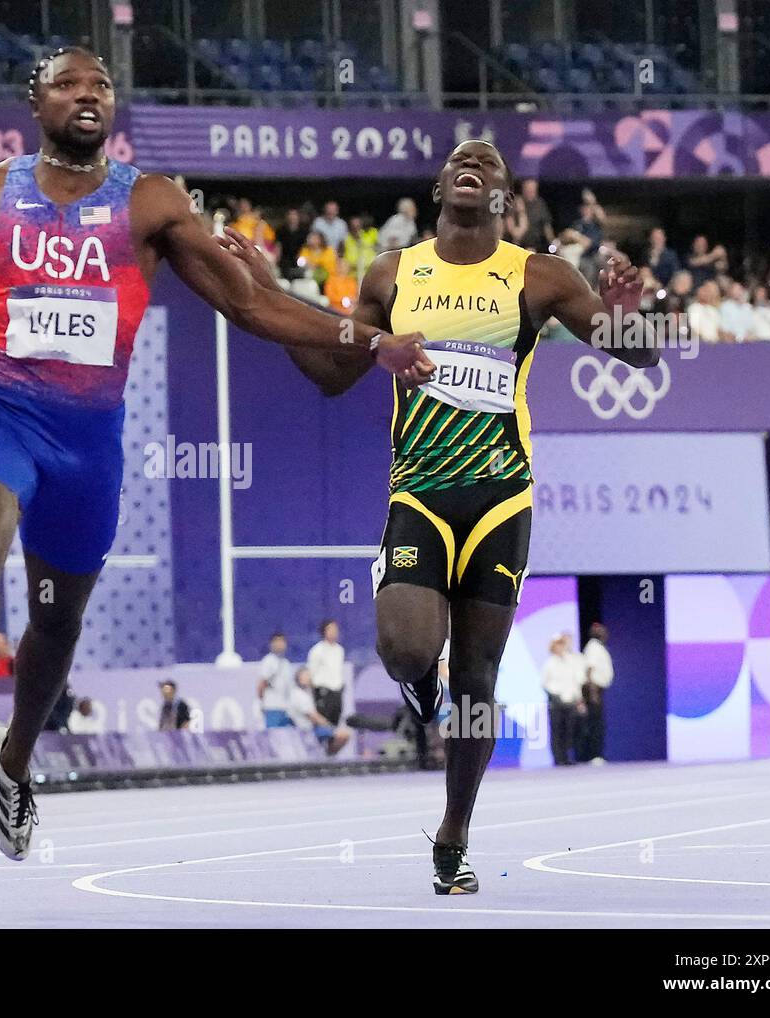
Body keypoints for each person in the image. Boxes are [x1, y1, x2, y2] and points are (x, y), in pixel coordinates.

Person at [0, 46, 430, 859]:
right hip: (0, 410)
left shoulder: (151, 203)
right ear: (36, 103)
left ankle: (14, 765)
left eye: (103, 85)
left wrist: (368, 338)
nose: (90, 95)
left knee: (57, 620)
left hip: (89, 443)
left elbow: (248, 303)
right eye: (70, 84)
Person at [221, 138, 656, 895]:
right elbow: (332, 371)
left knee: (479, 679)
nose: (473, 164)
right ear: (435, 185)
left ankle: (455, 831)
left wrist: (630, 321)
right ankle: (421, 684)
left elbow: (642, 357)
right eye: (461, 157)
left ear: (504, 197)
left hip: (500, 496)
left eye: (489, 163)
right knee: (404, 648)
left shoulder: (540, 276)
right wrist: (271, 307)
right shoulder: (393, 273)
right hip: (419, 488)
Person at [542, 633, 586, 766]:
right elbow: (544, 683)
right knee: (556, 730)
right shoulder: (550, 663)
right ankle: (558, 758)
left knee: (569, 730)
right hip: (556, 701)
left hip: (570, 700)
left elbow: (576, 681)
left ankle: (566, 756)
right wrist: (555, 695)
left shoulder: (570, 661)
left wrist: (578, 699)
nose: (560, 647)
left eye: (562, 644)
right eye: (557, 645)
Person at [288, 666, 351, 755]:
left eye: (308, 675)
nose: (308, 678)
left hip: (313, 729)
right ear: (298, 678)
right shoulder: (298, 694)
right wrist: (331, 727)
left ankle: (328, 758)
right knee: (342, 735)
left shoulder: (310, 693)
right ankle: (328, 758)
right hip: (306, 731)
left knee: (344, 734)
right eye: (304, 676)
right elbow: (313, 717)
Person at [580, 622, 613, 763]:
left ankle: (596, 755)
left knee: (597, 723)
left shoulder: (598, 647)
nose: (606, 634)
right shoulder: (593, 647)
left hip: (598, 690)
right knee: (595, 724)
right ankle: (594, 755)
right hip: (594, 690)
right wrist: (593, 693)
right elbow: (590, 670)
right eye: (602, 631)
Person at [306, 619, 346, 725]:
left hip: (336, 693)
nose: (333, 632)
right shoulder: (317, 650)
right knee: (324, 725)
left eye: (335, 629)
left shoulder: (339, 650)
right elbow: (311, 674)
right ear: (324, 631)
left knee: (335, 724)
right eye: (330, 629)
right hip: (323, 692)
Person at [257, 632, 295, 728]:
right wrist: (262, 702)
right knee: (273, 735)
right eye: (277, 642)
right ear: (271, 644)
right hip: (272, 706)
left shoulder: (286, 663)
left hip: (284, 707)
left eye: (282, 642)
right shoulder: (268, 661)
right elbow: (262, 683)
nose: (280, 644)